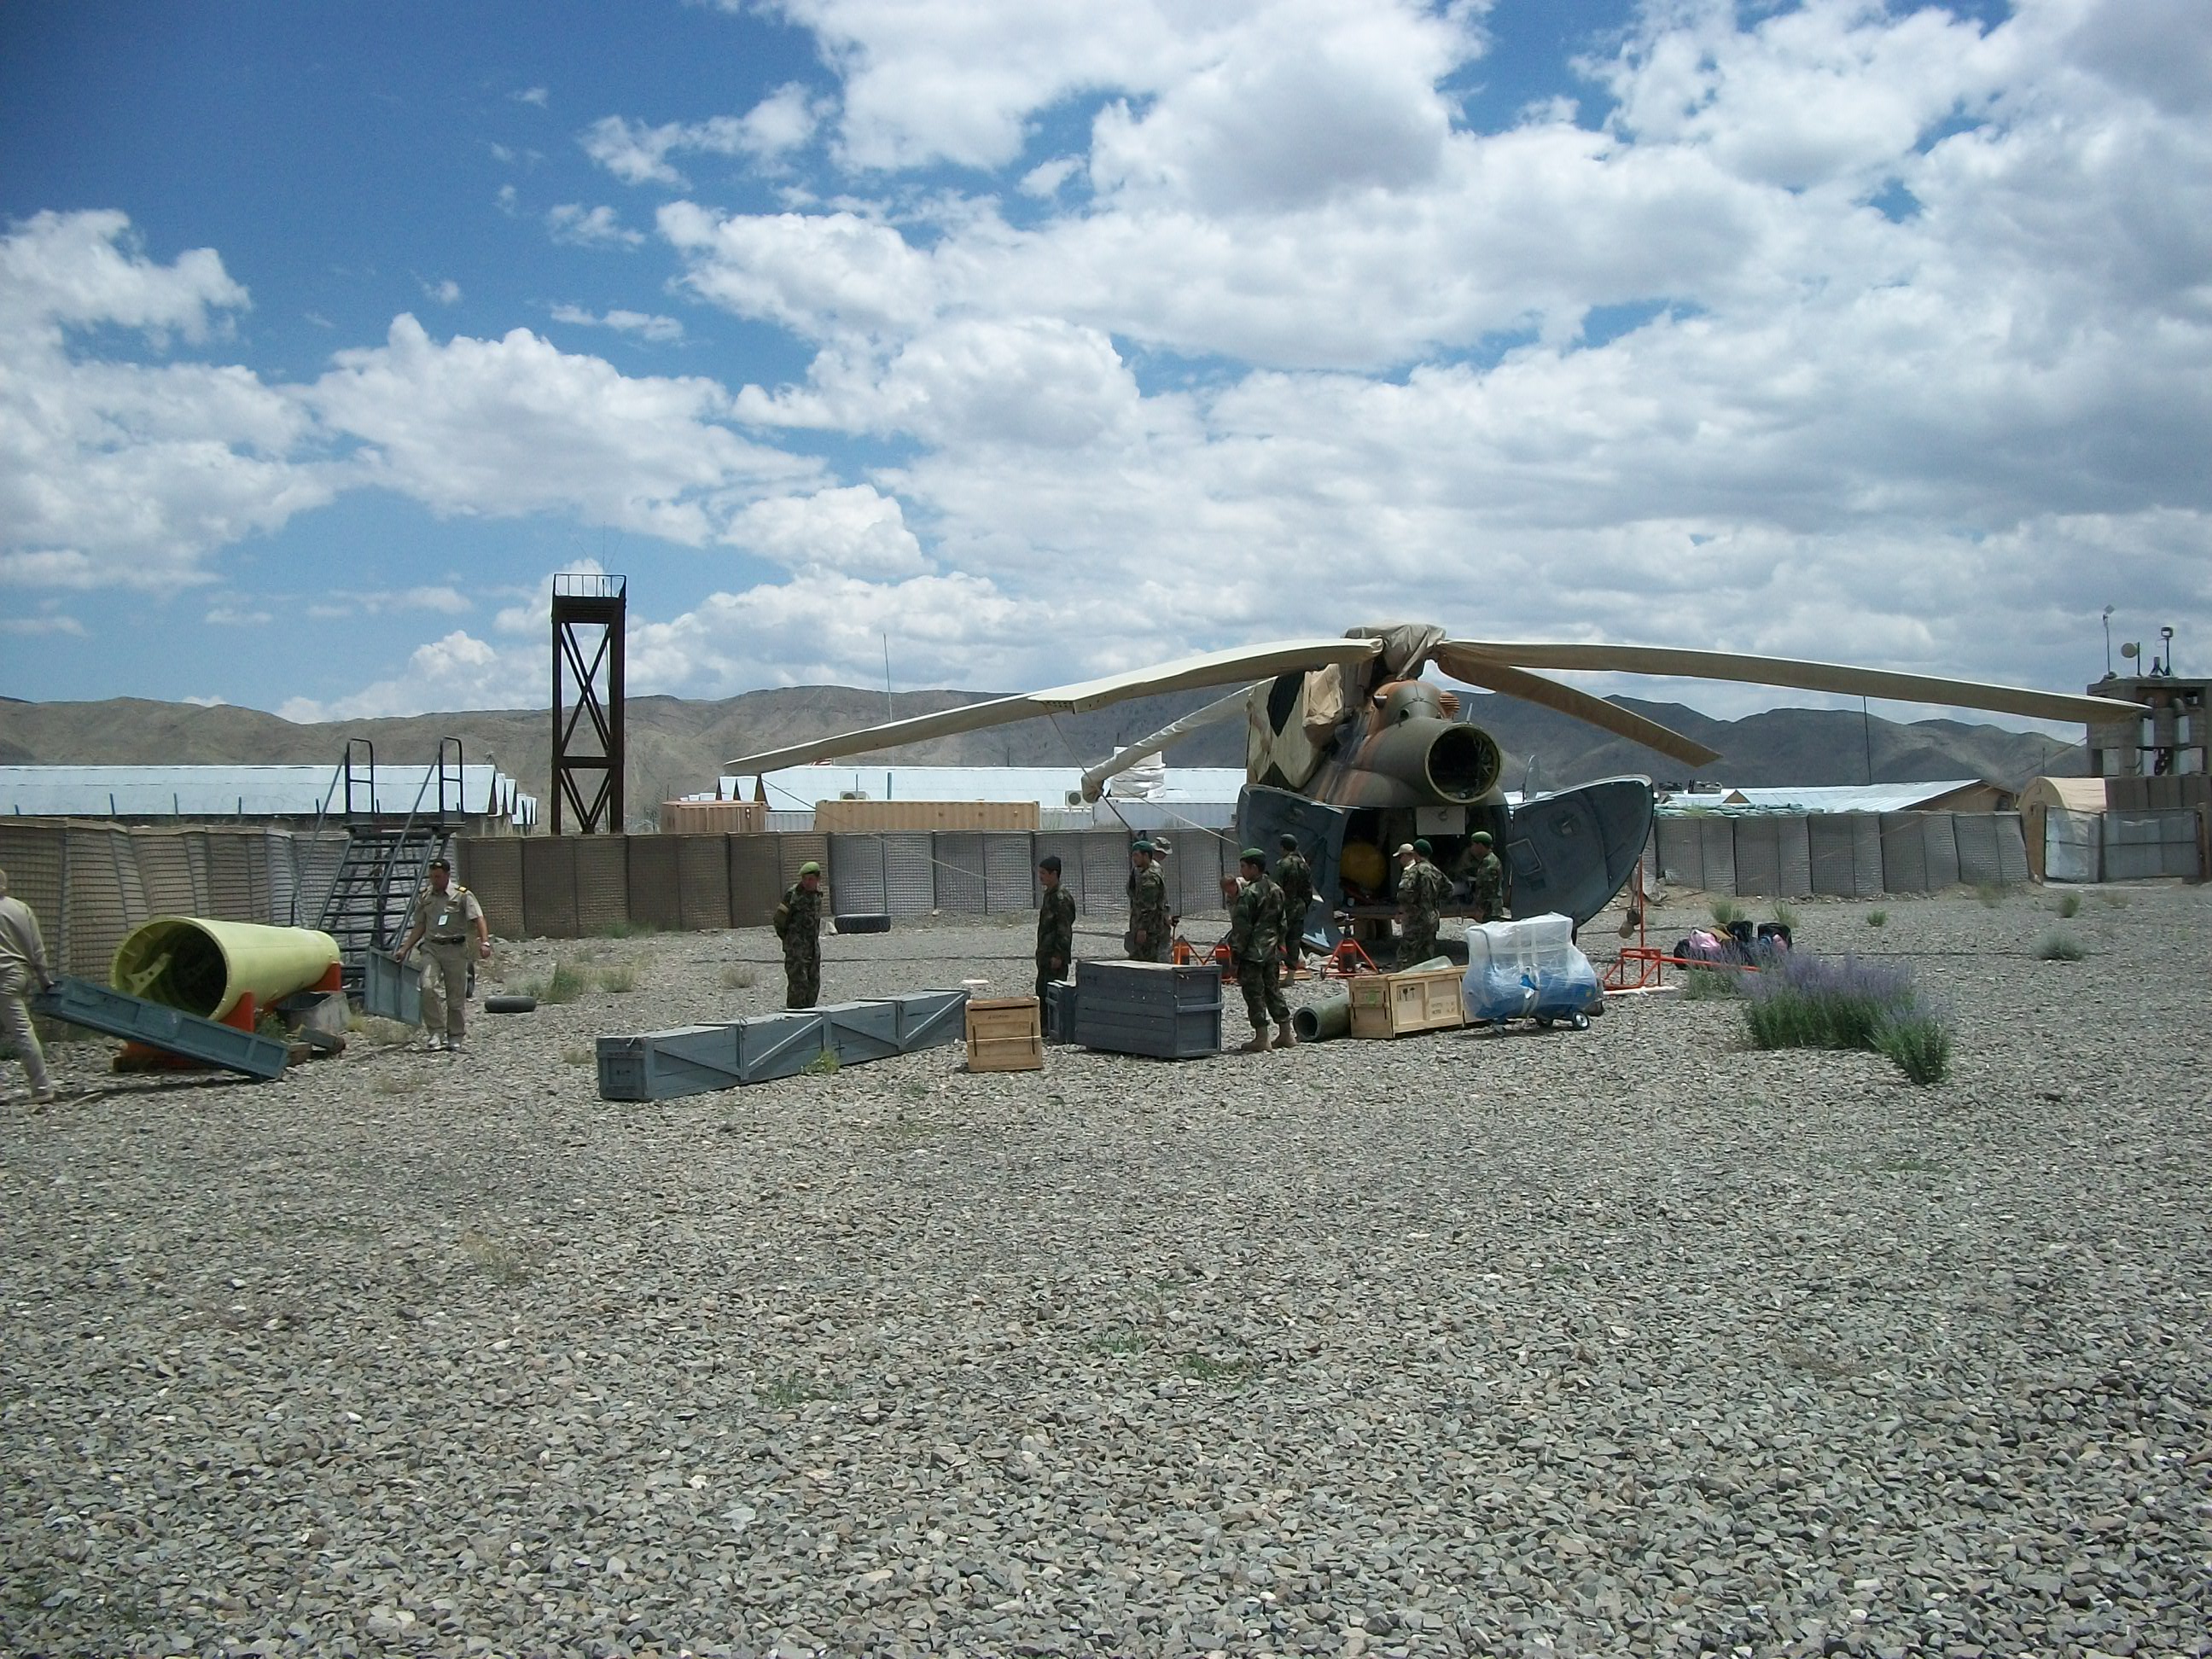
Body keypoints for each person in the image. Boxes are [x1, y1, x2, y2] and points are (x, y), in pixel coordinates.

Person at [396, 857, 490, 1052]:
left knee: (455, 997)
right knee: (427, 987)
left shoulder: (462, 895)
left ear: (447, 875)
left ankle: (455, 1035)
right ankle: (435, 1033)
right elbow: (420, 925)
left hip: (455, 949)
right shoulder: (425, 897)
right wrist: (405, 948)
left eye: (438, 877)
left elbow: (478, 918)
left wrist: (485, 942)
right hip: (432, 948)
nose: (434, 880)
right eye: (431, 877)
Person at [0, 866, 58, 1103]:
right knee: (22, 1030)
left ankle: (42, 1088)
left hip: (2, 977)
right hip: (22, 975)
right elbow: (37, 950)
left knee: (23, 1033)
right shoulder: (22, 908)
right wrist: (44, 979)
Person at [1227, 849, 1293, 1051]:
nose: (1242, 871)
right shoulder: (1276, 890)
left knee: (1254, 992)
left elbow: (1242, 927)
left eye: (1244, 866)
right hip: (1272, 950)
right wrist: (1280, 944)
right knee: (1273, 990)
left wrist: (1236, 953)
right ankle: (1285, 1033)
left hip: (1253, 953)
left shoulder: (1249, 893)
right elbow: (1282, 922)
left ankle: (1262, 1037)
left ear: (1254, 867)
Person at [772, 861, 825, 1009]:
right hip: (796, 950)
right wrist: (790, 941)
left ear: (818, 879)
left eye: (810, 879)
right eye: (804, 879)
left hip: (812, 949)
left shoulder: (817, 896)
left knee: (813, 985)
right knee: (798, 986)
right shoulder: (793, 895)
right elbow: (778, 921)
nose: (807, 882)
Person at [1034, 854, 1076, 1002]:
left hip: (1054, 956)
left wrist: (1059, 954)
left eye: (1043, 873)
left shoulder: (1061, 898)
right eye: (1040, 873)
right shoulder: (1050, 895)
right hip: (1046, 955)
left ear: (1054, 874)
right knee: (1042, 992)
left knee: (1054, 997)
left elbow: (1064, 930)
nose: (1040, 876)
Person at [1394, 841, 1440, 968]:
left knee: (1405, 954)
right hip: (1432, 917)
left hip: (1416, 919)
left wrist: (1403, 910)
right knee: (1426, 956)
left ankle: (1402, 982)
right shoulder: (1435, 871)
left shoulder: (1413, 871)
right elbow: (1449, 889)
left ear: (1415, 854)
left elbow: (1403, 894)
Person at [1273, 833, 1313, 974]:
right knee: (1295, 940)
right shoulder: (1304, 865)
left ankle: (1274, 973)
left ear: (1283, 847)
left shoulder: (1282, 864)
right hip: (1300, 907)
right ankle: (1291, 974)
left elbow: (1277, 888)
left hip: (1285, 907)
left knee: (1278, 939)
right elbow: (1308, 890)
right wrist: (1304, 904)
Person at [1127, 840, 1172, 962]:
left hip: (1150, 928)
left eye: (1136, 855)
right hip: (1143, 924)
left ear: (1146, 856)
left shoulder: (1150, 876)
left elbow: (1148, 906)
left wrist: (1142, 929)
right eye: (1133, 855)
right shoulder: (1139, 871)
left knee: (1146, 961)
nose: (1134, 858)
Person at [1467, 829, 1505, 923]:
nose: (1472, 848)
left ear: (1480, 845)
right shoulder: (1489, 860)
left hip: (1490, 910)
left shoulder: (1489, 862)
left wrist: (1481, 910)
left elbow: (1487, 889)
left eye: (1473, 845)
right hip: (1491, 909)